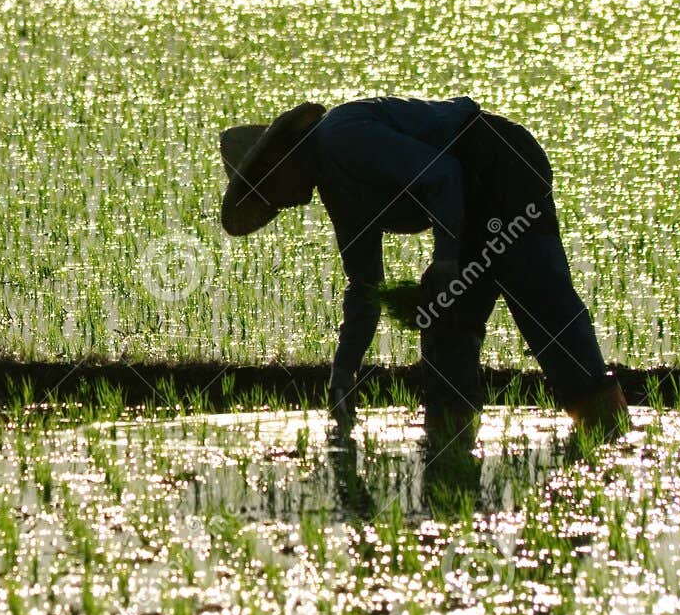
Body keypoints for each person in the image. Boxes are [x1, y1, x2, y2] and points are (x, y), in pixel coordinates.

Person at [218, 96, 630, 444]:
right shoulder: (337, 194)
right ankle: (451, 443)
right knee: (445, 318)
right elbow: (364, 286)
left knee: (539, 294)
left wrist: (448, 259)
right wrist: (343, 372)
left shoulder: (343, 137)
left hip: (500, 165)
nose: (283, 206)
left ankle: (608, 432)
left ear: (281, 163)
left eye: (271, 196)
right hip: (468, 197)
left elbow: (443, 175)